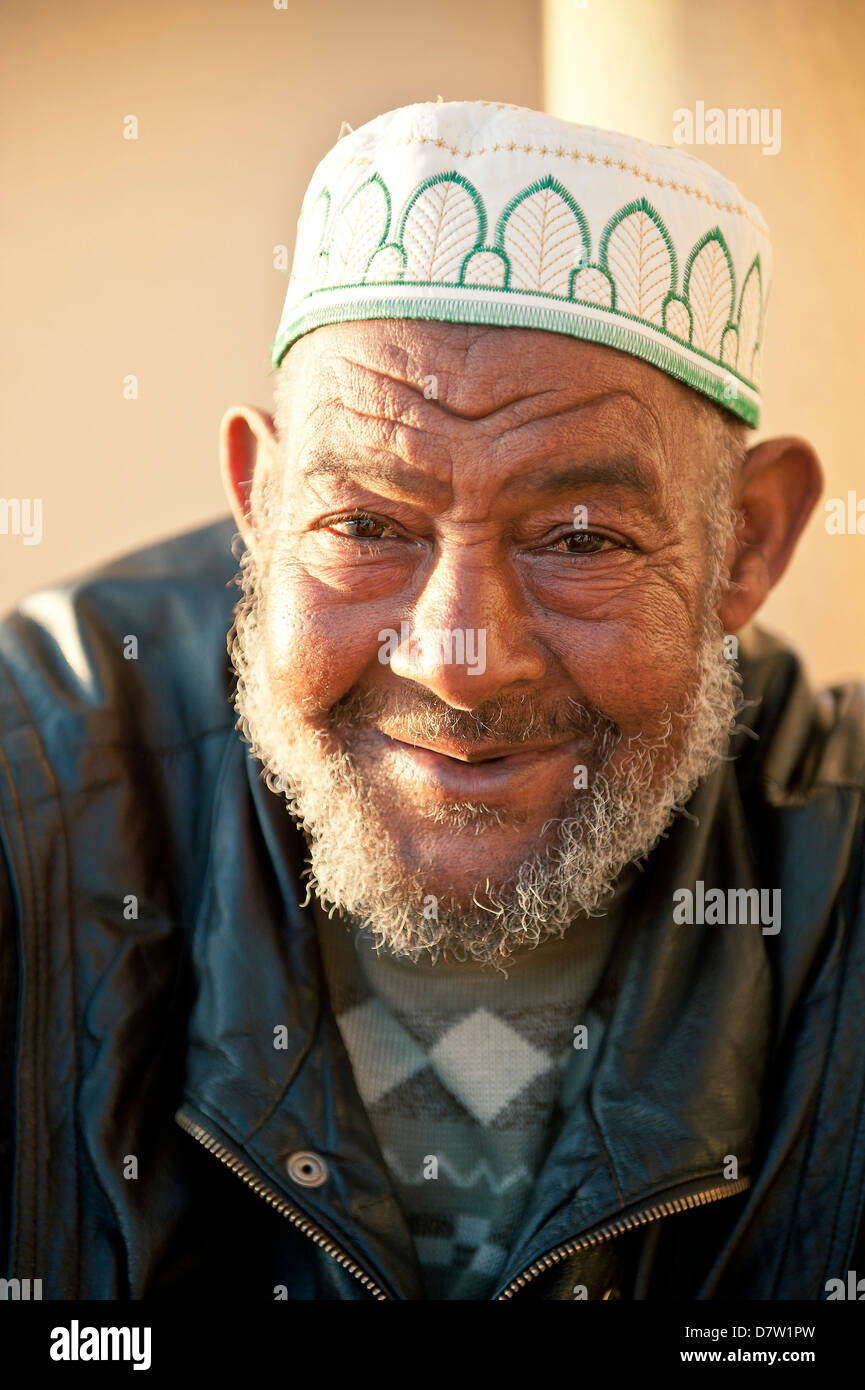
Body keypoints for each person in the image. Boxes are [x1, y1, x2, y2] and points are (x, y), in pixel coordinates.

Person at [1, 99, 863, 1302]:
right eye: (365, 526)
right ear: (259, 509)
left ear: (745, 544)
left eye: (577, 537)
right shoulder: (29, 798)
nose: (460, 659)